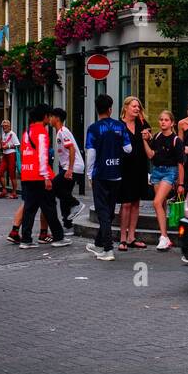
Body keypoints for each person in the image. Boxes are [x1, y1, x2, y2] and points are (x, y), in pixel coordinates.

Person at [85, 94, 132, 261]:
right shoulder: (120, 126)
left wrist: (90, 174)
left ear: (97, 109)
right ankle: (99, 243)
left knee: (103, 212)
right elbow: (128, 149)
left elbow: (91, 153)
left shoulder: (93, 128)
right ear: (110, 109)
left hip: (101, 174)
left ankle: (107, 249)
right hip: (116, 174)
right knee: (109, 211)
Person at [19, 104, 70, 249]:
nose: (50, 118)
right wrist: (47, 176)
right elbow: (42, 155)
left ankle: (26, 239)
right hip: (39, 176)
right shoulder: (41, 132)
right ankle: (58, 237)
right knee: (50, 207)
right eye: (49, 115)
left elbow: (24, 154)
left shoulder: (26, 132)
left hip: (27, 174)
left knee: (29, 208)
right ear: (45, 116)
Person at [145, 109, 184, 251]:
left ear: (172, 123)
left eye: (166, 120)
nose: (163, 122)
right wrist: (145, 141)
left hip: (170, 172)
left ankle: (163, 237)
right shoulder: (156, 137)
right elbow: (150, 155)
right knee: (161, 203)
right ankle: (165, 234)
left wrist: (180, 183)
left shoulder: (176, 141)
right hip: (156, 171)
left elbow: (180, 164)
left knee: (156, 202)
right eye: (161, 119)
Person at [119, 96, 150, 251]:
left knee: (136, 202)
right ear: (126, 108)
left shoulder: (142, 123)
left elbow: (149, 142)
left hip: (140, 167)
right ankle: (122, 238)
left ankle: (131, 237)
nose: (137, 109)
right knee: (126, 203)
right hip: (125, 168)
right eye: (134, 106)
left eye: (138, 106)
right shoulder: (119, 126)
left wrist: (148, 137)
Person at [49, 107, 86, 233]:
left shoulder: (62, 132)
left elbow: (71, 149)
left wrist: (69, 169)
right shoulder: (60, 132)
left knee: (54, 187)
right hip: (70, 167)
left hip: (73, 167)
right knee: (65, 193)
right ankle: (67, 222)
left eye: (51, 117)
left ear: (57, 118)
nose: (49, 119)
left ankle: (76, 204)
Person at [0, 119, 19, 199]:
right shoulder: (3, 134)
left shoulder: (12, 134)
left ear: (9, 126)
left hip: (11, 155)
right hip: (5, 155)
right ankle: (4, 190)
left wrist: (8, 146)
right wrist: (1, 146)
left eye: (6, 126)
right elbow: (3, 142)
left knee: (12, 175)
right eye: (3, 126)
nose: (4, 127)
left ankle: (14, 192)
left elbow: (17, 144)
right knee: (0, 173)